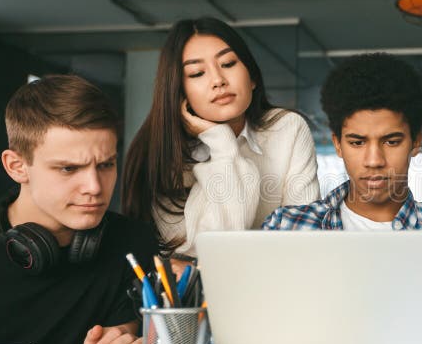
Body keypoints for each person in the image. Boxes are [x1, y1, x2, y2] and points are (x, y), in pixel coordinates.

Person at [262, 53, 422, 344]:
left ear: (416, 142)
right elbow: (263, 341)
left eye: (391, 142)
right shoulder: (287, 229)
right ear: (338, 144)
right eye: (357, 142)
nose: (374, 161)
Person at [0, 75, 159, 344]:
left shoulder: (133, 243)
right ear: (16, 167)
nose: (95, 188)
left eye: (106, 165)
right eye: (68, 169)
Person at [122, 17, 320, 263]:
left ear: (253, 77)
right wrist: (222, 144)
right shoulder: (160, 154)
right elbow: (213, 254)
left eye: (228, 63)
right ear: (180, 93)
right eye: (197, 73)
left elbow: (304, 241)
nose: (218, 80)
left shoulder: (287, 128)